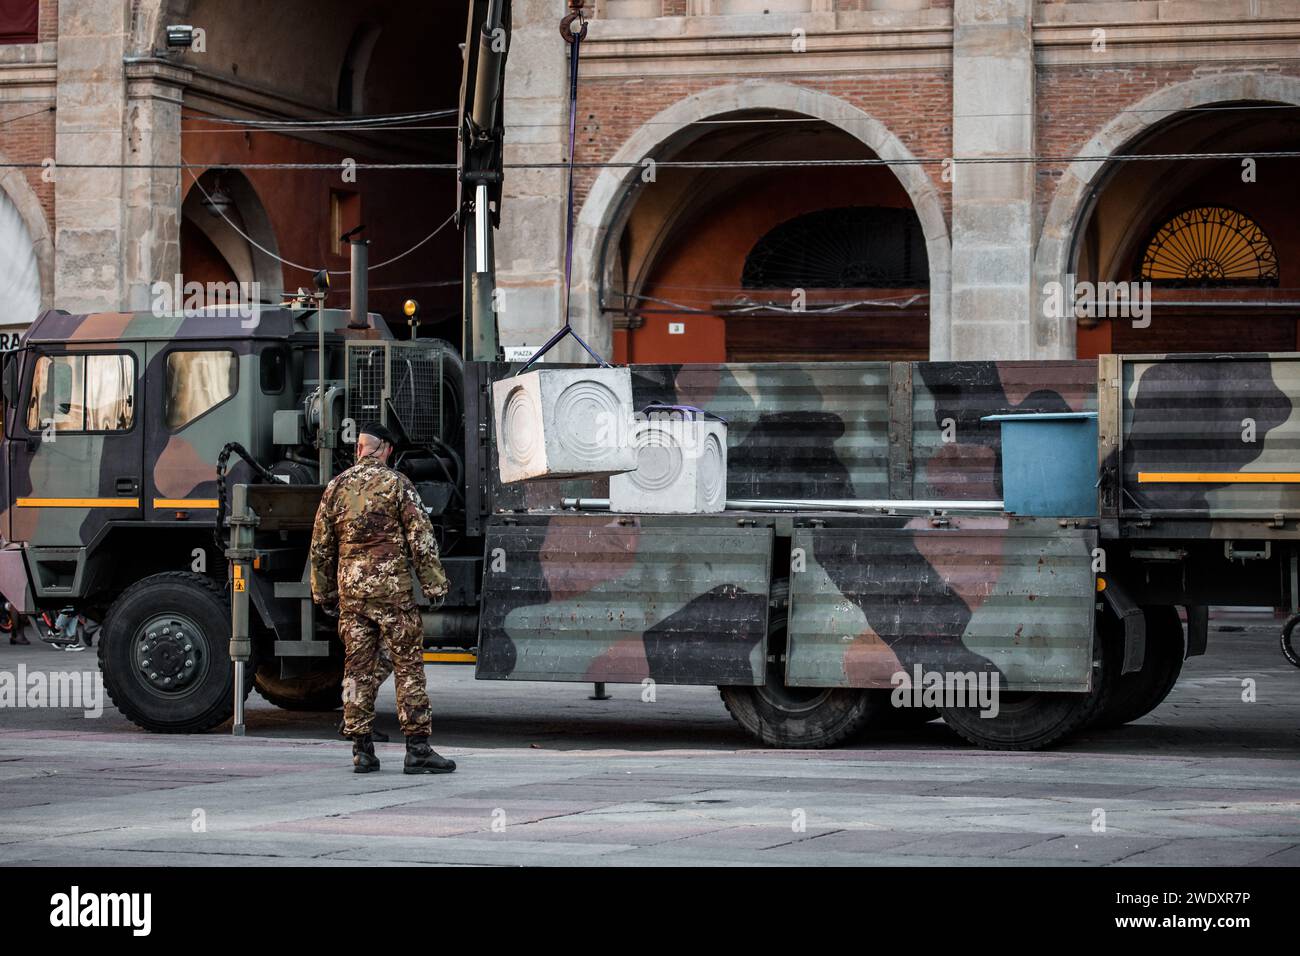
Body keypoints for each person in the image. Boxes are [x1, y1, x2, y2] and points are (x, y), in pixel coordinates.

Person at [309, 421, 455, 775]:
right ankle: (417, 749)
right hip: (392, 595)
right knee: (408, 667)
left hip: (352, 596)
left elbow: (320, 547)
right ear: (386, 448)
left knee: (355, 670)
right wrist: (434, 586)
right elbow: (421, 539)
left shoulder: (336, 488)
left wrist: (323, 592)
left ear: (360, 448)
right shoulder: (396, 485)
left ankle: (361, 750)